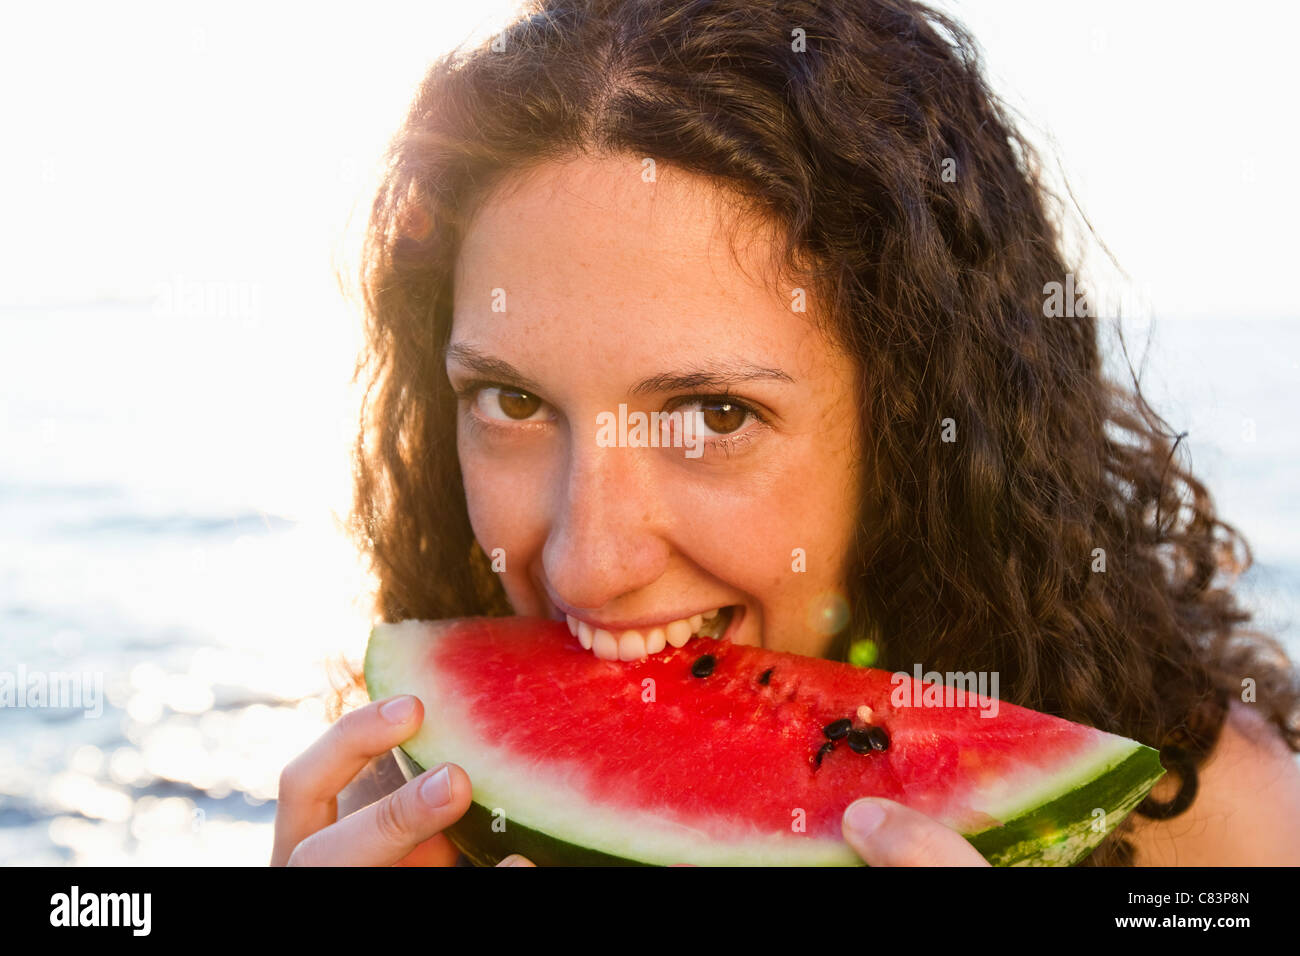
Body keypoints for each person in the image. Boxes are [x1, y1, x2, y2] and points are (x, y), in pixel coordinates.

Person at [272, 0, 1300, 866]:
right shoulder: (396, 803)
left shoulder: (1226, 833)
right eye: (511, 401)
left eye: (715, 415)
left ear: (915, 429)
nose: (587, 562)